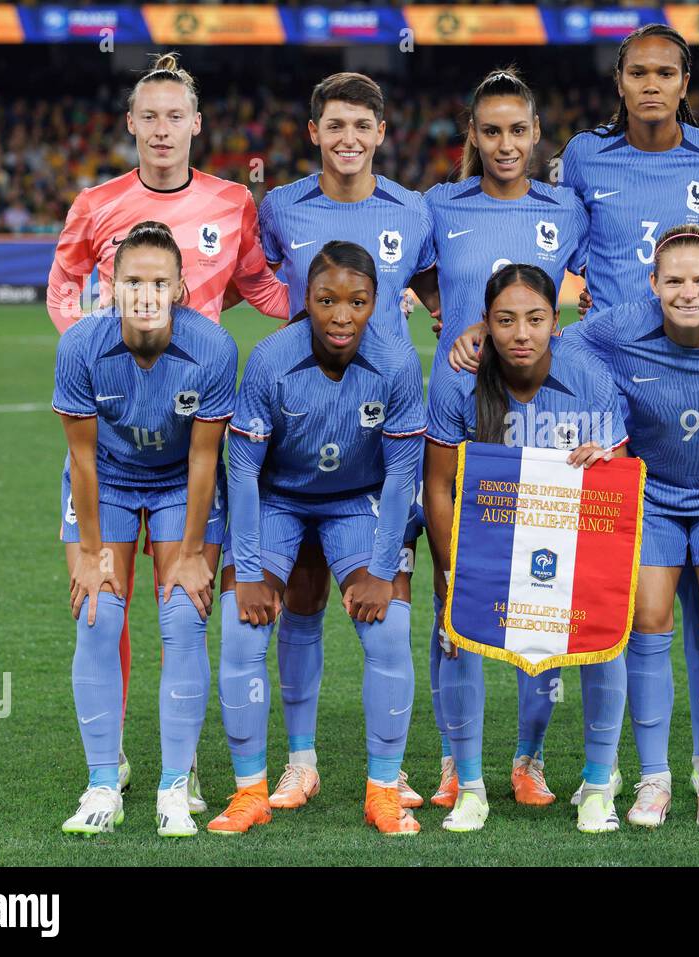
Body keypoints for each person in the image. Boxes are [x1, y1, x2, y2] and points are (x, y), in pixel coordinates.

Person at [455, 24, 699, 805]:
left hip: (689, 363)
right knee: (578, 590)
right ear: (618, 81)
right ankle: (563, 759)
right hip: (600, 376)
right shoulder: (584, 156)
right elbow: (556, 240)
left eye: (667, 73)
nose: (652, 85)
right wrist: (505, 327)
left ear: (686, 81)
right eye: (638, 73)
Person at [46, 53, 288, 810]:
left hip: (197, 417)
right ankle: (108, 762)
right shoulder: (96, 202)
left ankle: (176, 773)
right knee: (101, 602)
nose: (160, 128)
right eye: (146, 116)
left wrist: (338, 307)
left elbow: (259, 284)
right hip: (119, 410)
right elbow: (62, 282)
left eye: (172, 115)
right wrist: (95, 349)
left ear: (195, 124)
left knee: (181, 606)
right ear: (130, 125)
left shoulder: (229, 201)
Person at [254, 72, 438, 810]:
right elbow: (260, 286)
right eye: (335, 125)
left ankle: (388, 772)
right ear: (314, 133)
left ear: (382, 133)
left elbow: (437, 290)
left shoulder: (412, 210)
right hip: (302, 432)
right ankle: (301, 761)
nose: (348, 139)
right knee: (301, 593)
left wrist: (459, 336)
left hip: (387, 434)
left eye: (361, 126)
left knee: (391, 595)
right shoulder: (280, 207)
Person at [559, 224, 699, 831]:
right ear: (652, 284)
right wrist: (605, 420)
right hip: (651, 494)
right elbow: (560, 345)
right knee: (648, 623)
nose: (688, 292)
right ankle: (654, 778)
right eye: (674, 280)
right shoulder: (620, 327)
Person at [421, 68, 591, 809]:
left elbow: (593, 296)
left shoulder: (567, 209)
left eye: (518, 130)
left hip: (540, 416)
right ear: (472, 136)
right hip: (458, 412)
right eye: (490, 131)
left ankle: (528, 756)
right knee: (452, 595)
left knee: (538, 598)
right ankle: (459, 763)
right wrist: (452, 321)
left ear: (535, 134)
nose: (505, 144)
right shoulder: (437, 206)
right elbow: (418, 279)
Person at [213, 242, 425, 836]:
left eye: (357, 302)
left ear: (375, 304)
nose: (340, 315)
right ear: (304, 300)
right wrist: (250, 570)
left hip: (357, 502)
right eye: (326, 300)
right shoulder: (269, 360)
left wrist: (383, 570)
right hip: (278, 499)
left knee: (389, 629)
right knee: (240, 624)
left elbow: (403, 473)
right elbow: (244, 470)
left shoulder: (398, 366)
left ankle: (383, 789)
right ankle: (251, 789)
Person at [424, 264, 629, 833]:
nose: (521, 334)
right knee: (458, 638)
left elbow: (615, 474)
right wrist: (448, 574)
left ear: (555, 322)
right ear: (484, 326)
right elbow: (438, 485)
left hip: (564, 535)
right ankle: (468, 787)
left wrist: (603, 459)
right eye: (506, 320)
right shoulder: (456, 379)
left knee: (598, 640)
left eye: (535, 319)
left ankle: (592, 783)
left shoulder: (588, 376)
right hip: (482, 540)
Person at [54, 221, 236, 837]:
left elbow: (205, 459)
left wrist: (189, 552)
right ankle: (104, 782)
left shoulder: (213, 349)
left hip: (179, 484)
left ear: (181, 287)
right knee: (98, 615)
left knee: (184, 616)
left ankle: (174, 786)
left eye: (159, 281)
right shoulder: (80, 346)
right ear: (111, 284)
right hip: (104, 480)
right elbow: (80, 458)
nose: (146, 293)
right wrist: (86, 551)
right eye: (133, 280)